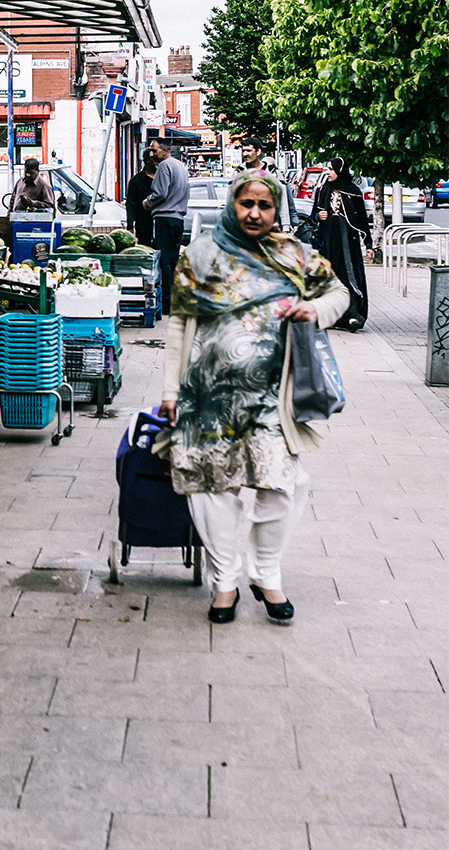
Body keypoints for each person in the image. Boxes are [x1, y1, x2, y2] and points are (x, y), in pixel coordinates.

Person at [158, 173, 349, 624]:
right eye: (247, 203)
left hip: (270, 401)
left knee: (284, 486)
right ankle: (225, 582)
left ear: (276, 209)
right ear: (233, 204)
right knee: (211, 489)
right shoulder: (200, 254)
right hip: (206, 398)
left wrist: (315, 309)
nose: (255, 213)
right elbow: (179, 324)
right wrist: (170, 392)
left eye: (265, 205)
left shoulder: (294, 255)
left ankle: (266, 573)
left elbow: (339, 293)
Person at [314, 158, 372, 331]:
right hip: (327, 241)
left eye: (331, 169)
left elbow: (362, 219)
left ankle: (352, 316)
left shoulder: (353, 191)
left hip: (347, 241)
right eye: (327, 169)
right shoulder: (323, 189)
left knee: (348, 276)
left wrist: (368, 244)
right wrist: (318, 216)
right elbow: (313, 214)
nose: (327, 172)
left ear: (340, 171)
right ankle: (330, 317)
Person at [143, 138, 189, 313]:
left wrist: (147, 203)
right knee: (174, 260)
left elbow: (160, 193)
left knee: (164, 261)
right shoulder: (180, 166)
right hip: (178, 218)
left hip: (164, 217)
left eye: (154, 150)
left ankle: (168, 303)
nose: (151, 154)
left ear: (164, 150)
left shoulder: (164, 166)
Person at [241, 136, 297, 231]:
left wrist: (286, 227)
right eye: (243, 151)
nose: (245, 154)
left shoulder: (273, 173)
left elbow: (283, 200)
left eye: (248, 151)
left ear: (258, 152)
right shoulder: (239, 173)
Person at [124, 150, 158, 246]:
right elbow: (131, 204)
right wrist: (130, 225)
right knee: (145, 248)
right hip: (143, 223)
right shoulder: (136, 181)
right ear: (147, 161)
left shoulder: (163, 178)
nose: (157, 161)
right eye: (153, 158)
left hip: (161, 222)